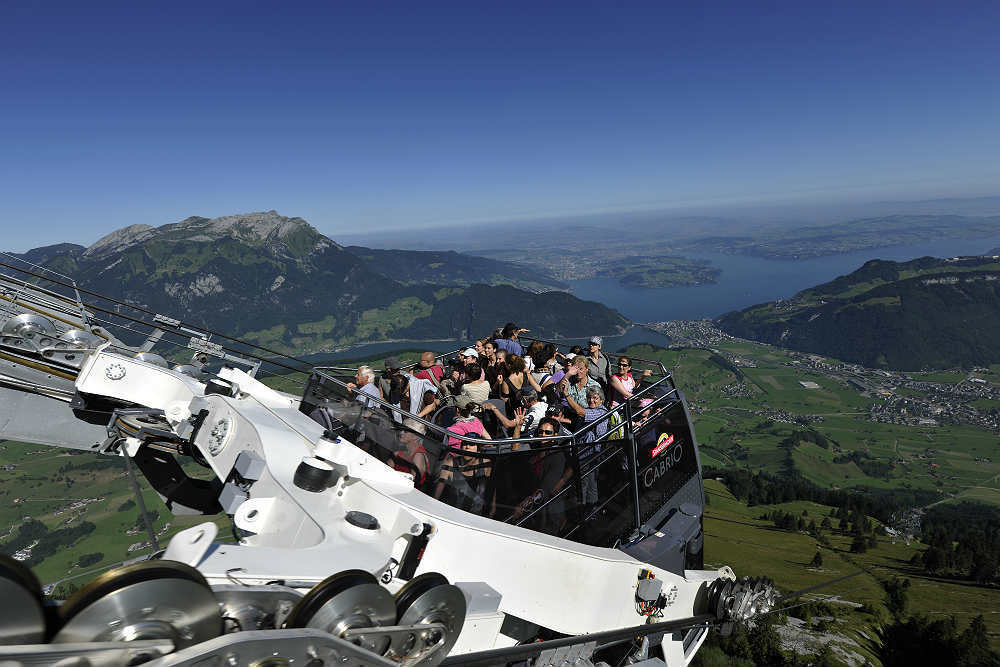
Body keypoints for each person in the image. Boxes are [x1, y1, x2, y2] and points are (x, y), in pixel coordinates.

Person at [483, 387, 547, 437]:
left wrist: (494, 408)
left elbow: (508, 424)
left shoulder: (534, 415)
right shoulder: (545, 405)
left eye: (520, 399)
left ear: (524, 400)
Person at [559, 356, 600, 427]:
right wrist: (568, 374)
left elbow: (590, 411)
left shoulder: (594, 386)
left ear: (587, 369)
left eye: (581, 369)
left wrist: (566, 395)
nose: (578, 372)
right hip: (568, 416)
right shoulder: (570, 381)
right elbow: (558, 390)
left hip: (585, 421)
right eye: (576, 369)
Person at [392, 422, 431, 487]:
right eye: (402, 430)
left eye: (405, 431)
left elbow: (412, 483)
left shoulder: (418, 456)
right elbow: (387, 467)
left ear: (415, 436)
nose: (401, 433)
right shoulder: (400, 449)